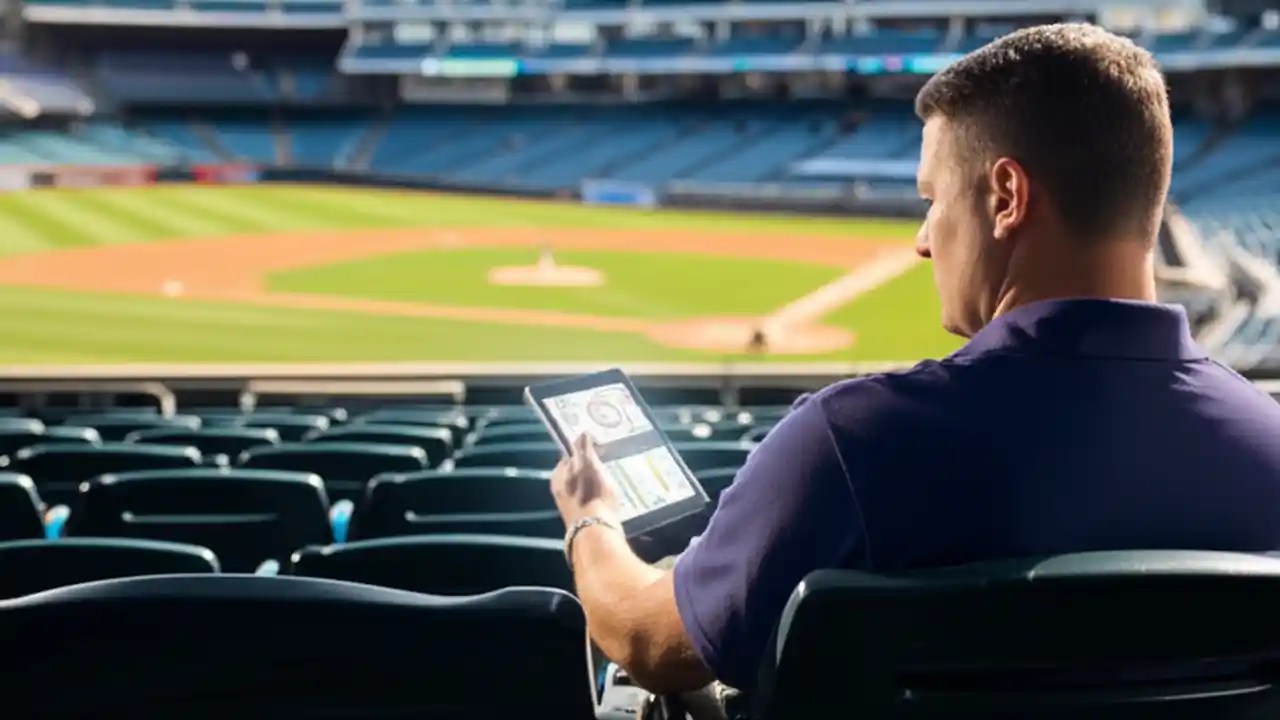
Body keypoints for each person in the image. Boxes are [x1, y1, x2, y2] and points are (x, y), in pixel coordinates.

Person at [549, 23, 1280, 695]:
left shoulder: (853, 442)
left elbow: (646, 641)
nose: (923, 240)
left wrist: (591, 522)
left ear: (1005, 198)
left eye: (932, 199)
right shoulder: (1269, 448)